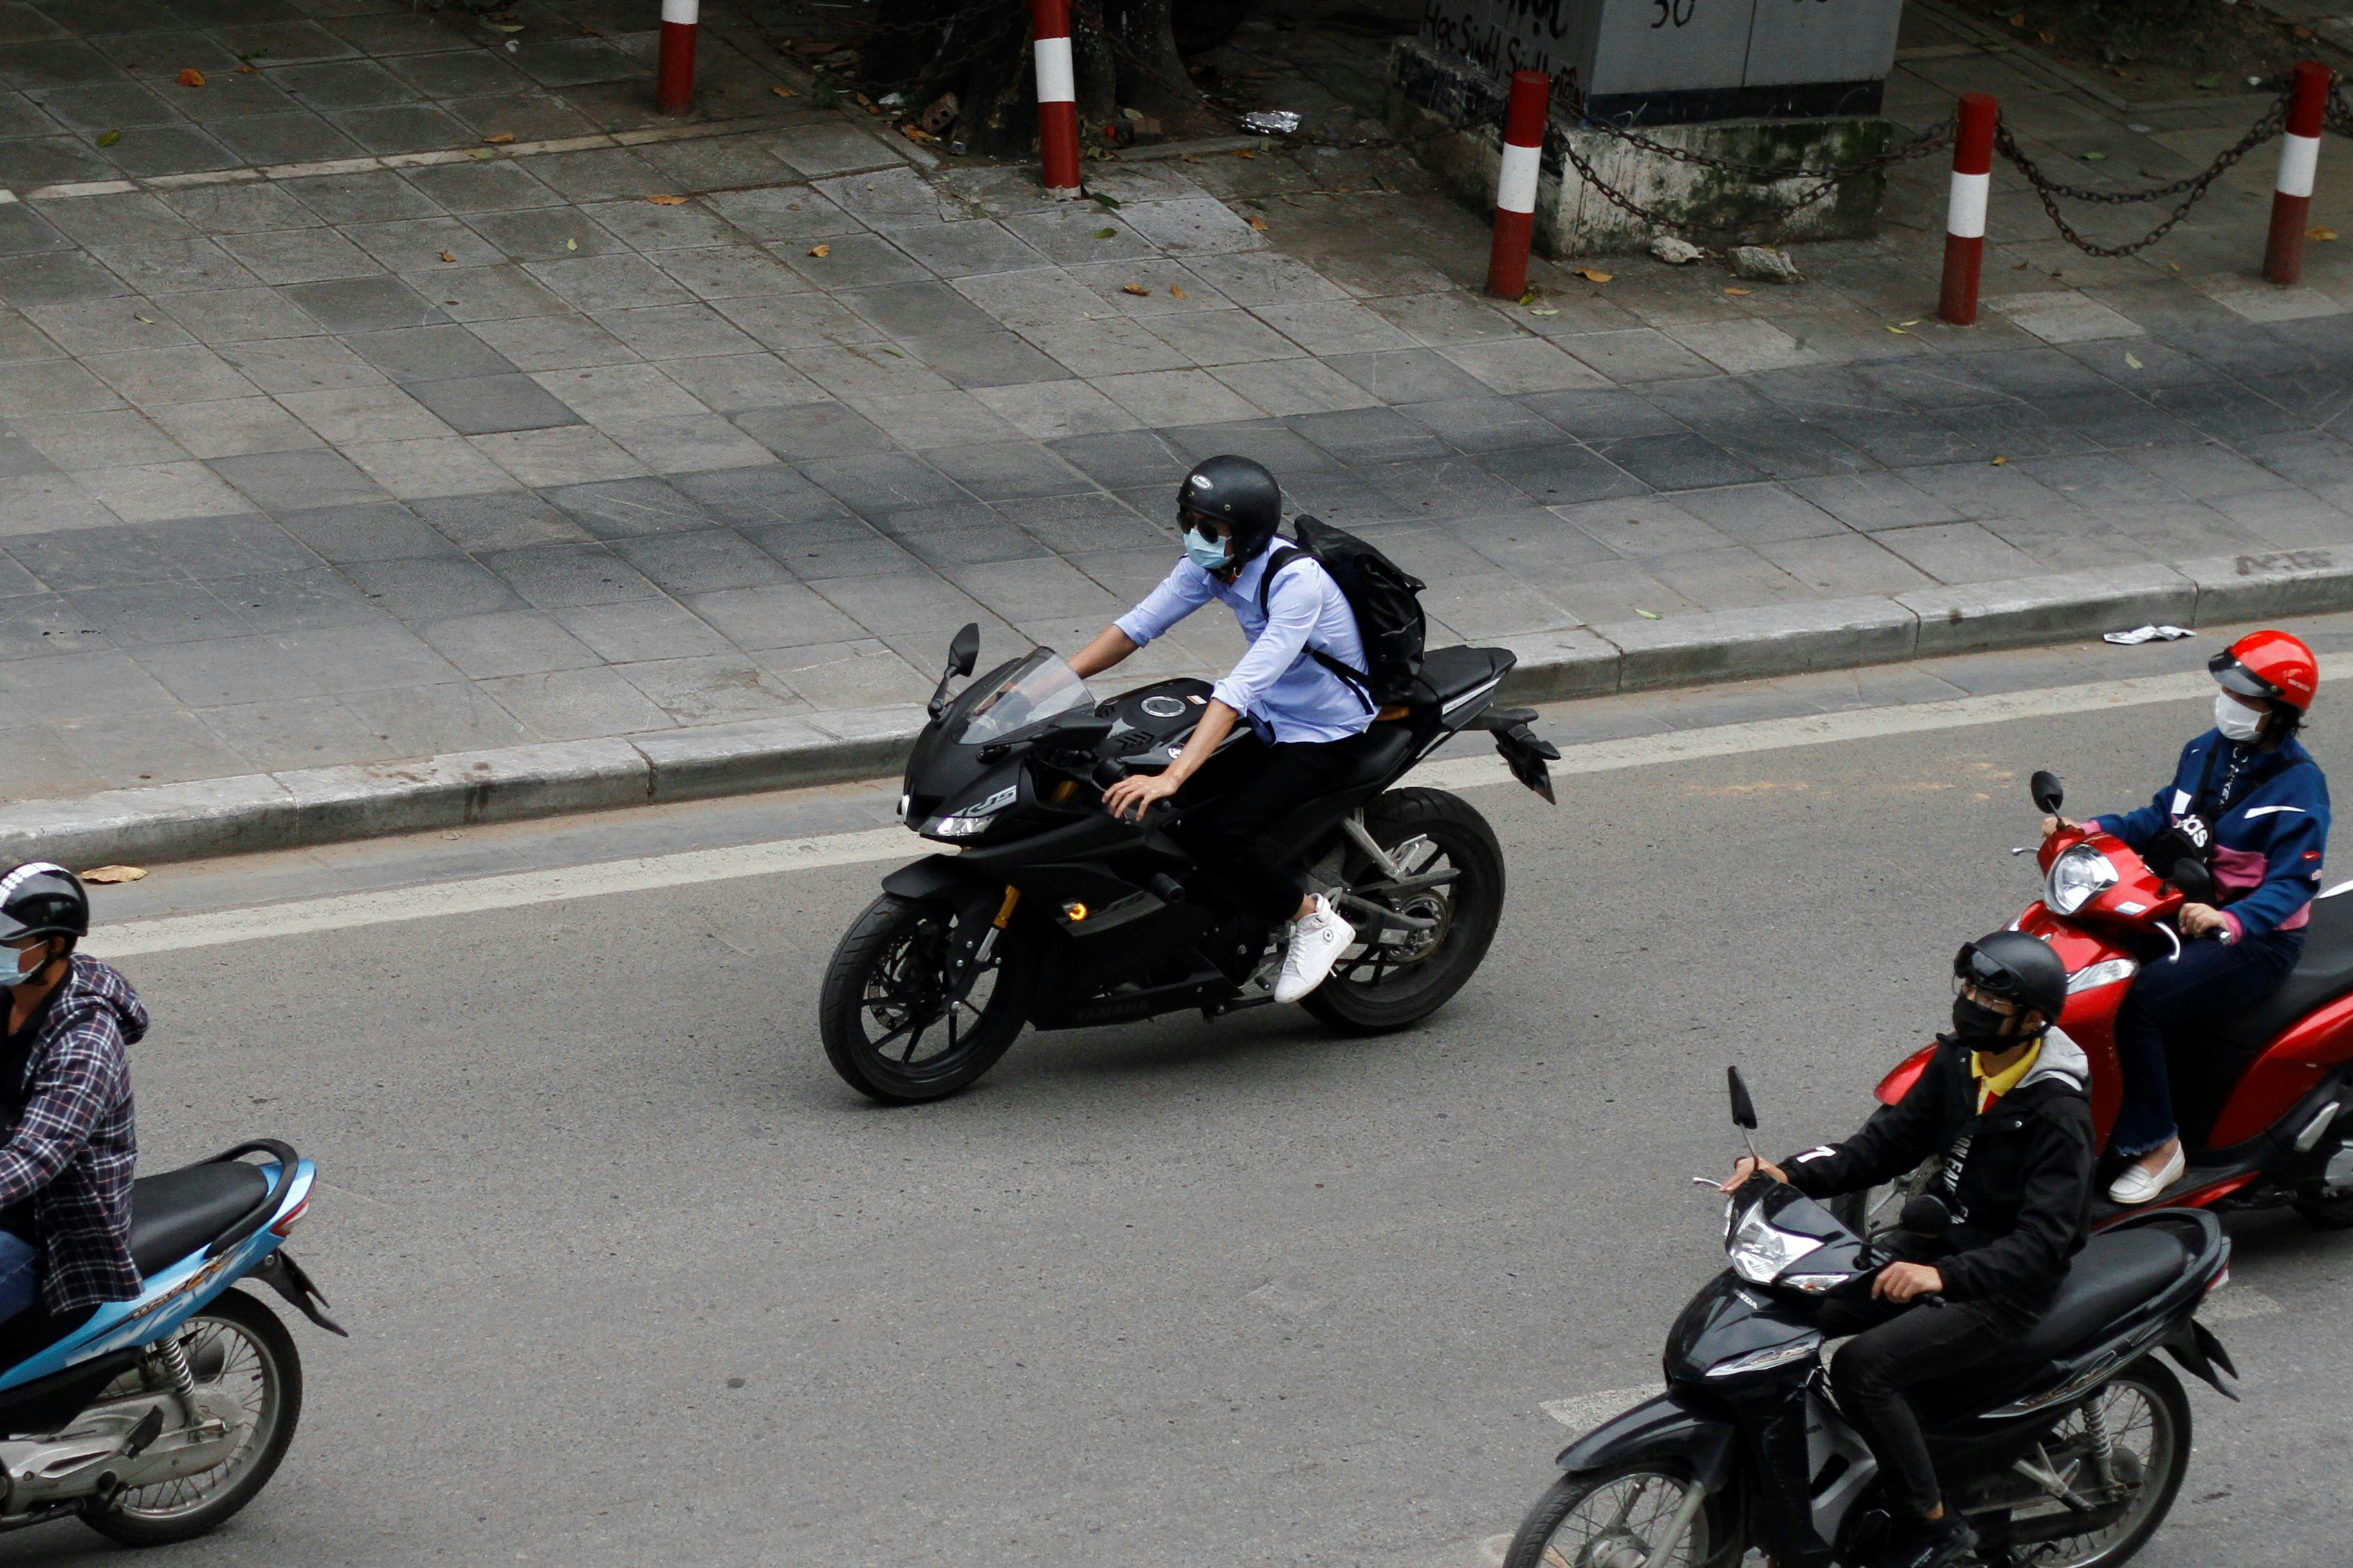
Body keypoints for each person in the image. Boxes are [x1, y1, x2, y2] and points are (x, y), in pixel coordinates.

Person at [1721, 932, 2094, 1568]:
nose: (1971, 1003)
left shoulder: (2056, 1112)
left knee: (1864, 1369)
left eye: (1990, 997)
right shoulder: (1959, 1063)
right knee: (1778, 1310)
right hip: (1930, 1250)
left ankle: (1932, 1524)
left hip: (1998, 1288)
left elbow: (2043, 1243)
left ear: (2031, 1020)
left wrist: (1940, 1276)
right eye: (1969, 988)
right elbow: (1882, 1146)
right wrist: (1785, 1173)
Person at [1068, 455, 1377, 1004]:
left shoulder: (1295, 583)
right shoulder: (1213, 564)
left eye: (1210, 529)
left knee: (1222, 833)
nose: (1194, 536)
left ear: (1249, 534)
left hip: (1323, 729)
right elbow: (1134, 628)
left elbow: (1240, 688)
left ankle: (1312, 918)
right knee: (1161, 814)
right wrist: (1049, 682)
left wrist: (1173, 774)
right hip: (1270, 713)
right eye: (1187, 521)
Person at [2044, 629, 2329, 1204]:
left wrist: (2232, 918)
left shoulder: (2300, 786)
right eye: (2225, 687)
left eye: (2244, 695)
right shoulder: (2203, 751)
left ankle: (2157, 1143)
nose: (2226, 700)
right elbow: (2156, 817)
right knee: (2085, 973)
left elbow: (2292, 883)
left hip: (2255, 939)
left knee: (2141, 1000)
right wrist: (2085, 830)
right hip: (2179, 910)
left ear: (2278, 711)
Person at [0, 863, 145, 1332]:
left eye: (7, 937)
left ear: (54, 945)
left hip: (50, 1229)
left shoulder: (86, 1039)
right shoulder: (10, 993)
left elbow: (33, 1158)